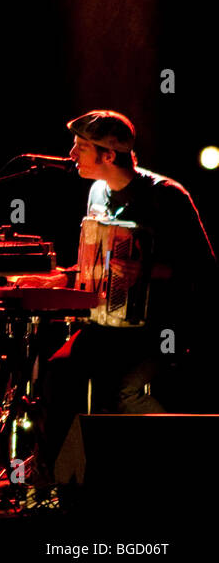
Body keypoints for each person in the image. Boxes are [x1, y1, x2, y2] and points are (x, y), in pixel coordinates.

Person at [42, 111, 217, 460]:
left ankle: (193, 454)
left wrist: (144, 272)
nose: (71, 155)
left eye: (80, 148)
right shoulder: (96, 192)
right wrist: (60, 276)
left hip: (162, 325)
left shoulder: (167, 197)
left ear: (107, 155)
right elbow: (98, 263)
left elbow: (203, 269)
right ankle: (55, 473)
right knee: (59, 372)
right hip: (110, 324)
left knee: (122, 391)